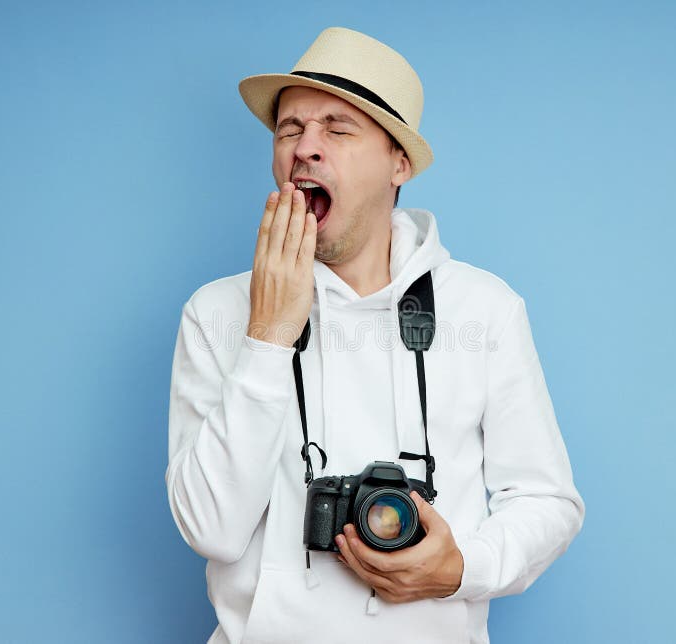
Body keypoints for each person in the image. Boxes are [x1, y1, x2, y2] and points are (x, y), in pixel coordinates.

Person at [166, 27, 585, 644]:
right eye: (289, 129)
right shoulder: (217, 312)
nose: (304, 149)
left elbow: (549, 502)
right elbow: (212, 529)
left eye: (338, 129)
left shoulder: (485, 308)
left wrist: (460, 568)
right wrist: (268, 335)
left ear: (400, 163)